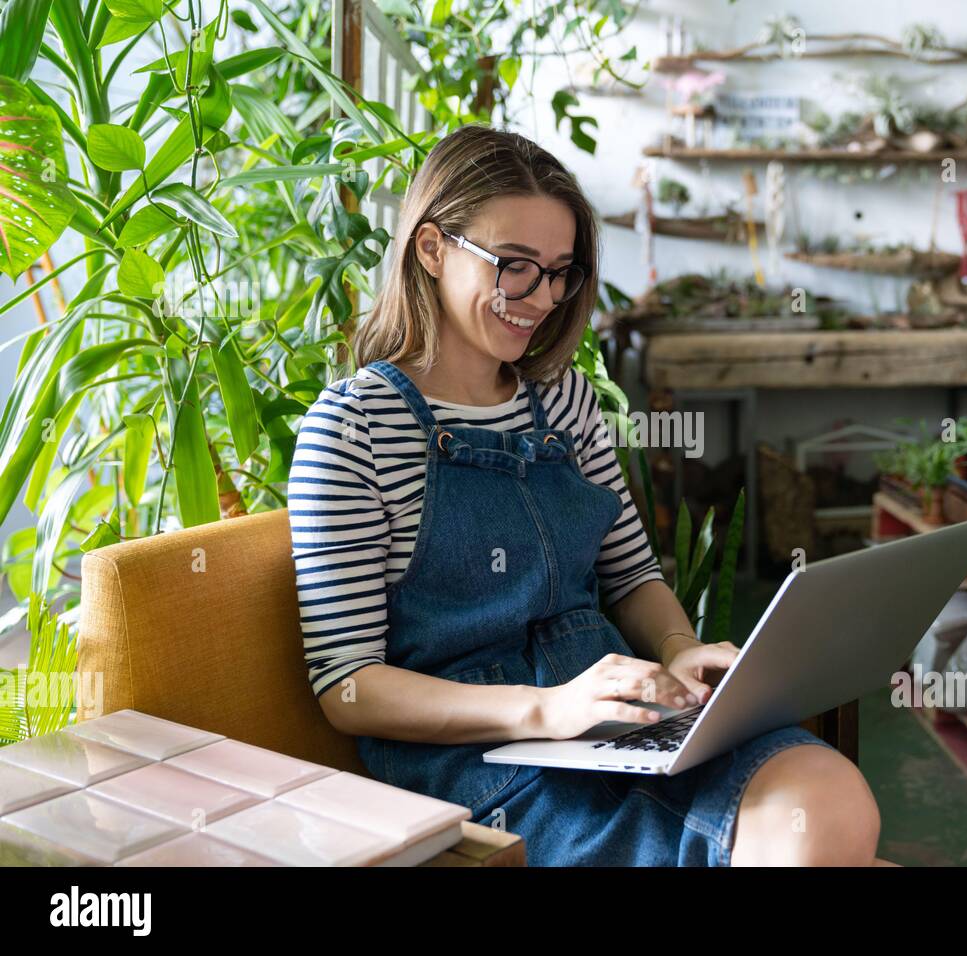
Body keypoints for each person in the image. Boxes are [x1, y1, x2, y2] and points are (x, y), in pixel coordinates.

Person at [288, 122, 885, 865]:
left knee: (832, 798)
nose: (541, 297)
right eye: (515, 266)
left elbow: (630, 575)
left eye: (561, 271)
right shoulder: (351, 429)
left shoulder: (564, 401)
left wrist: (680, 649)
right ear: (433, 248)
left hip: (620, 722)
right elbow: (348, 687)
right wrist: (547, 708)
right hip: (485, 763)